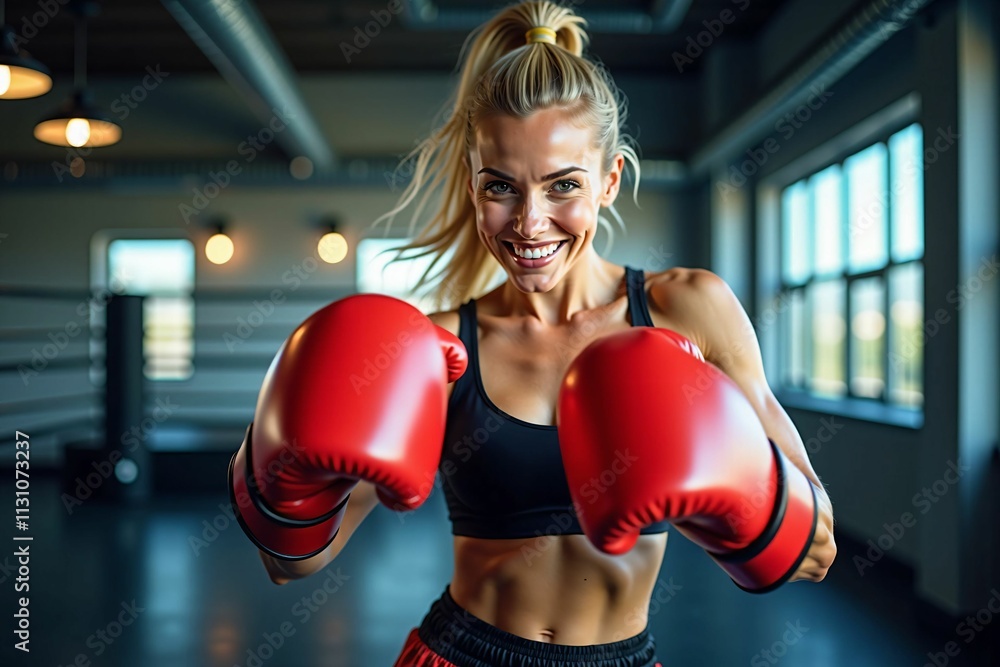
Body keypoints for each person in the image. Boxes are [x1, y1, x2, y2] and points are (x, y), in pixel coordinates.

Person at [237, 2, 837, 665]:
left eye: (563, 186)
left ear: (609, 181)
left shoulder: (688, 308)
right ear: (473, 186)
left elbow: (817, 549)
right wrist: (280, 464)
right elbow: (292, 563)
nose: (529, 223)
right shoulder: (437, 349)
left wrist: (734, 487)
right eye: (502, 187)